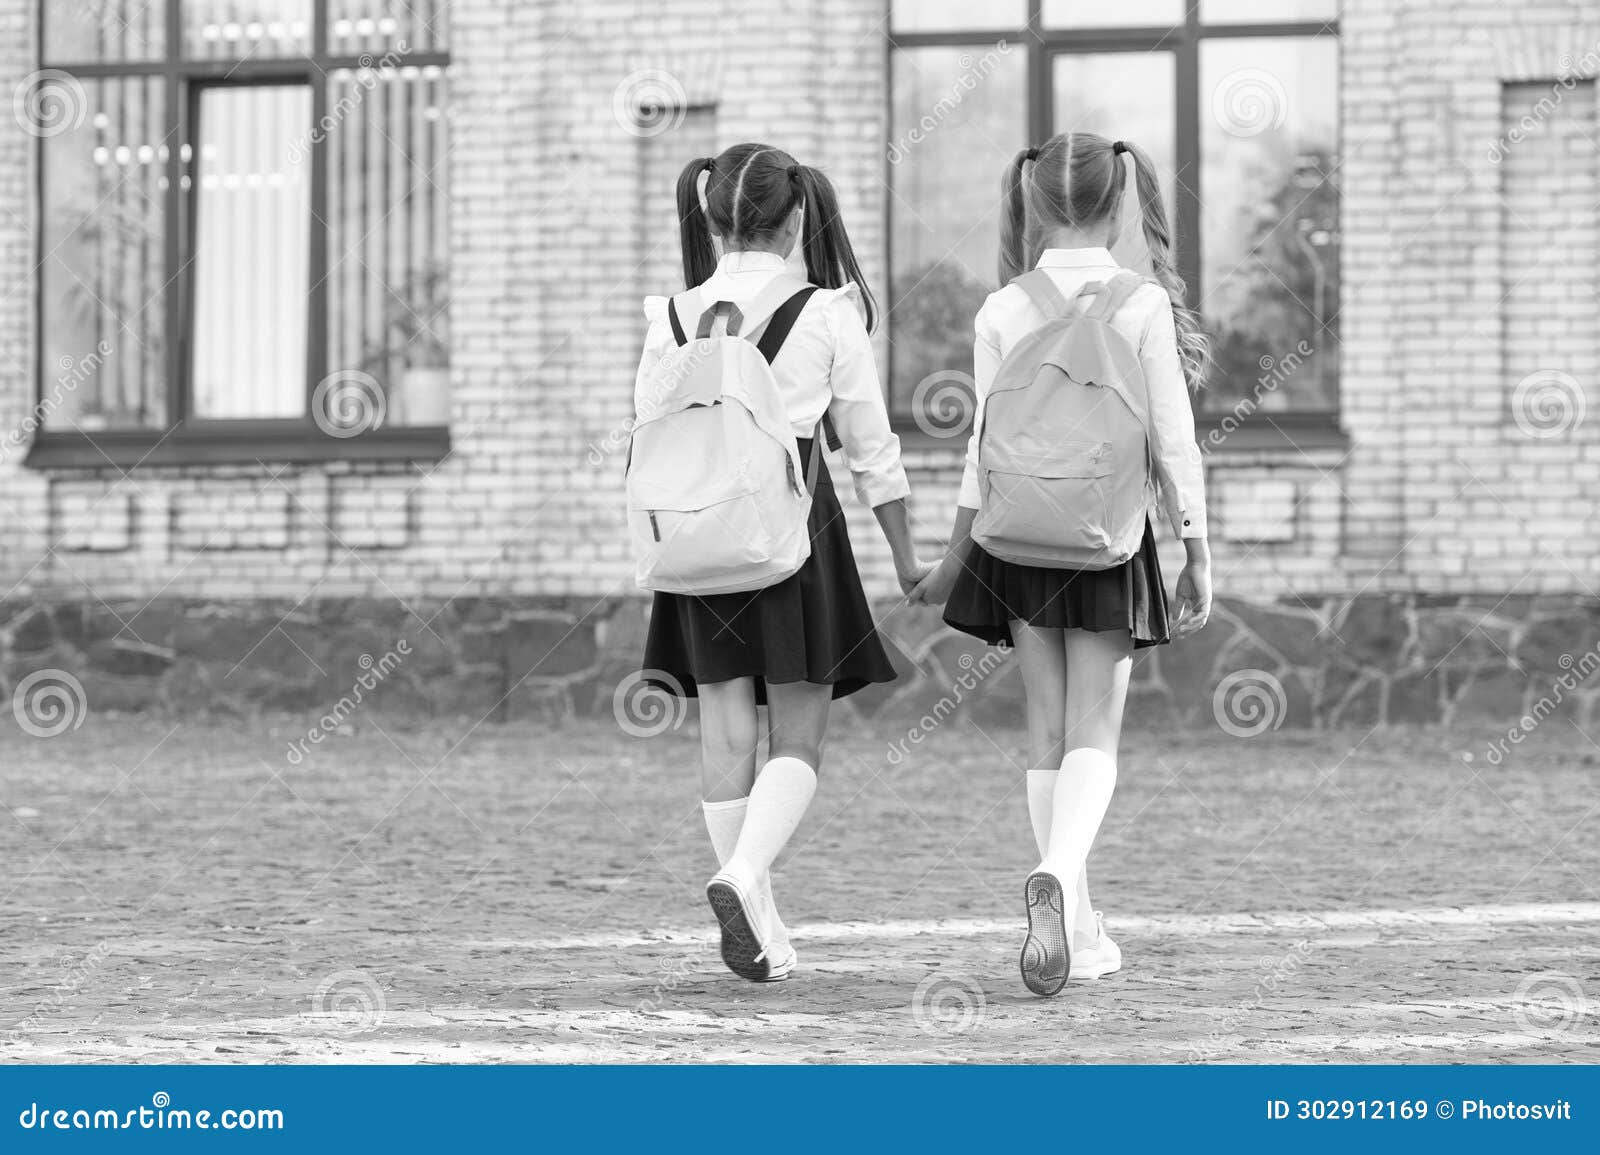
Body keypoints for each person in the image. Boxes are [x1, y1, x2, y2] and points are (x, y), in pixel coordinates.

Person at [912, 132, 1213, 996]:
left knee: (1046, 730)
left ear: (1033, 204)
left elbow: (980, 452)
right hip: (1111, 532)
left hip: (1017, 539)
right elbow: (1173, 439)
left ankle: (1076, 924)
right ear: (1121, 206)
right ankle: (1059, 883)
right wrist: (1195, 547)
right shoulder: (1143, 303)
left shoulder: (1003, 307)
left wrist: (951, 556)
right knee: (1096, 732)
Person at [635, 143, 931, 982]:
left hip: (698, 536)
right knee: (800, 732)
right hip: (795, 530)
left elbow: (655, 430)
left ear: (709, 215)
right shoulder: (827, 313)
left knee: (725, 727)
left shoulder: (667, 317)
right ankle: (741, 877)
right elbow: (873, 450)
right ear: (797, 217)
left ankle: (758, 920)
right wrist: (908, 558)